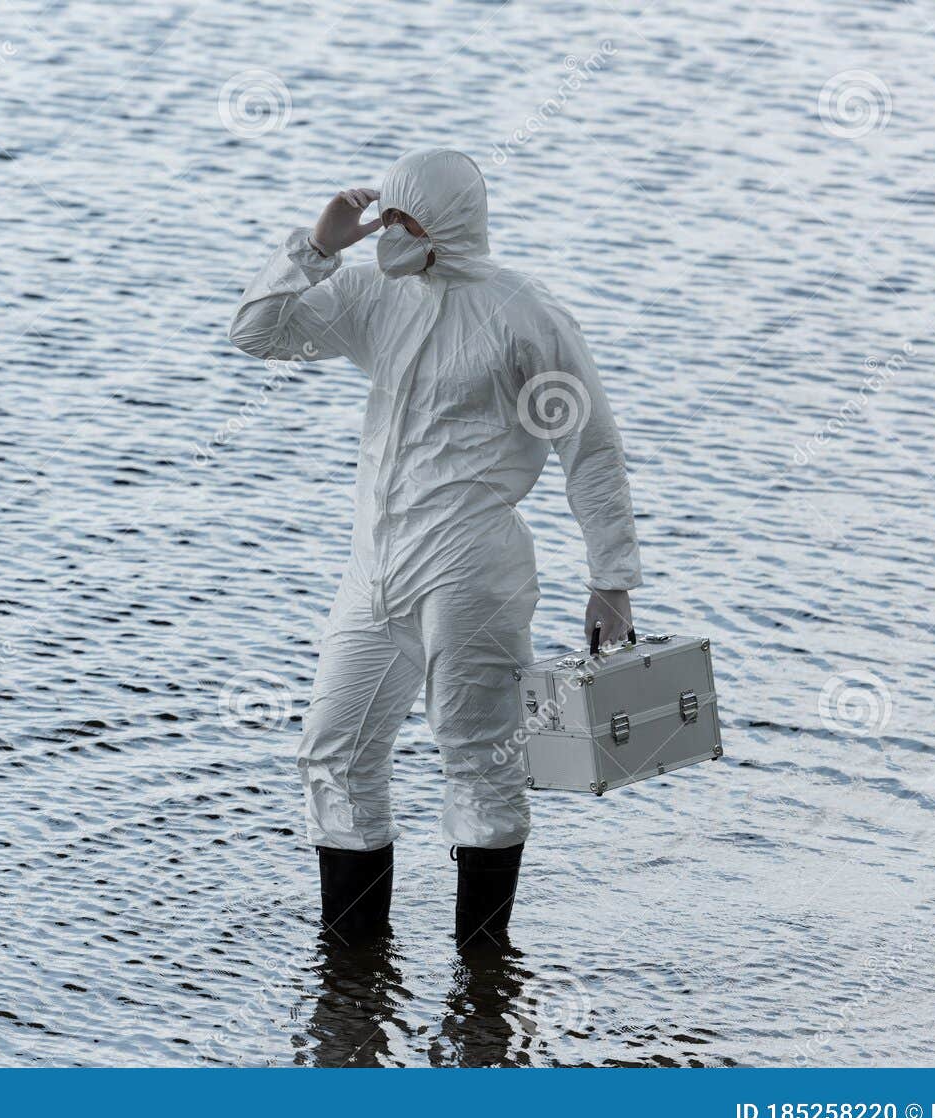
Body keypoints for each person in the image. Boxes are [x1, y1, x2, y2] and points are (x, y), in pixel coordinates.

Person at [229, 148, 640, 949]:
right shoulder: (372, 292)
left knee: (479, 761)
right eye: (385, 219)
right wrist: (316, 247)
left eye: (403, 221)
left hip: (472, 571)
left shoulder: (526, 314)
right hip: (375, 568)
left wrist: (612, 580)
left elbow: (590, 447)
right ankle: (353, 970)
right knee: (334, 752)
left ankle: (481, 966)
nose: (388, 234)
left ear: (446, 224)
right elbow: (258, 334)